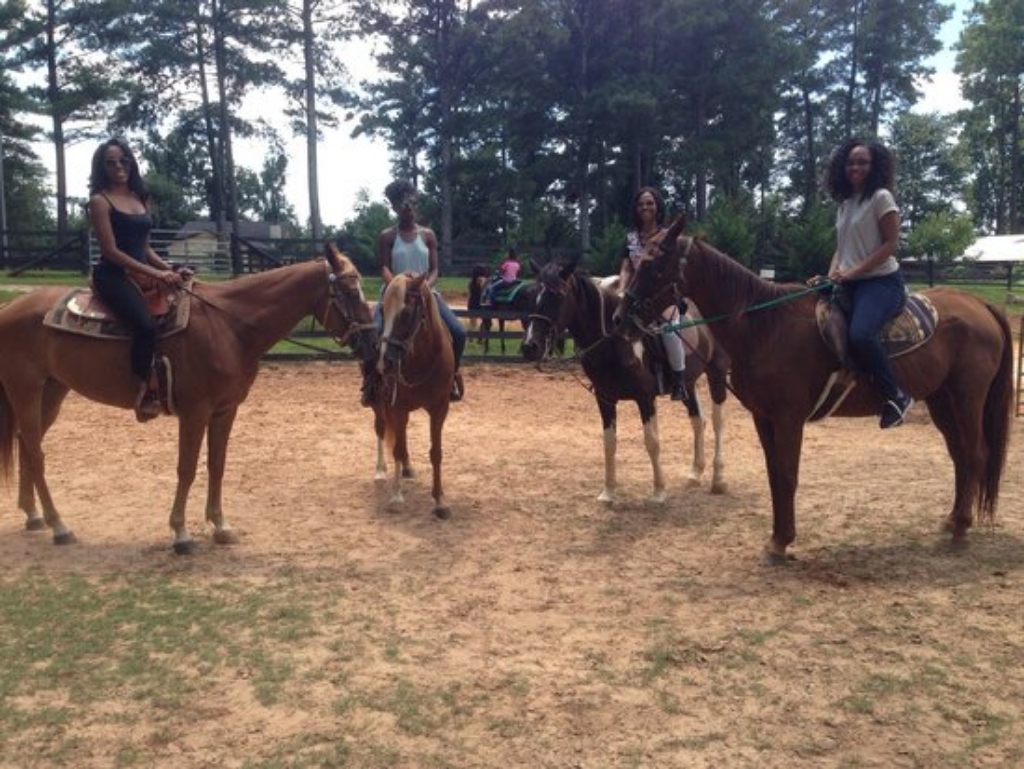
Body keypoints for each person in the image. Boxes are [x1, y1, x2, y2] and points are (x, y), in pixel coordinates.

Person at [88, 138, 187, 422]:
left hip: (141, 271)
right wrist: (156, 274)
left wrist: (170, 269)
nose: (119, 166)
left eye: (123, 161)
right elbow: (111, 251)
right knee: (144, 326)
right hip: (113, 275)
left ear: (131, 162)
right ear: (102, 167)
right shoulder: (100, 201)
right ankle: (144, 390)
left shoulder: (140, 198)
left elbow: (144, 248)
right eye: (111, 162)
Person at [817, 137, 912, 429]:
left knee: (861, 334)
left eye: (862, 162)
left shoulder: (881, 198)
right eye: (851, 162)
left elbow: (889, 244)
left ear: (875, 166)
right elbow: (842, 248)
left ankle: (895, 394)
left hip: (881, 282)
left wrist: (853, 271)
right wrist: (831, 274)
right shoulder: (846, 203)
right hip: (850, 282)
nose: (855, 167)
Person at [366, 179, 466, 404]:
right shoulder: (387, 236)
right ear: (394, 208)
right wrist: (397, 287)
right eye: (402, 204)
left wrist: (423, 288)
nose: (408, 207)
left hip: (426, 294)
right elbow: (383, 267)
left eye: (411, 203)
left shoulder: (428, 235)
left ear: (416, 206)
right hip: (394, 295)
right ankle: (372, 382)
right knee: (372, 333)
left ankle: (452, 376)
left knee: (459, 332)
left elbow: (434, 270)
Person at [617, 186, 689, 403]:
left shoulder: (668, 237)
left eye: (649, 203)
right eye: (640, 204)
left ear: (657, 207)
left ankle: (679, 380)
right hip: (635, 293)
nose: (645, 207)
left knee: (668, 329)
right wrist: (621, 289)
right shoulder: (630, 238)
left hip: (661, 294)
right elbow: (626, 267)